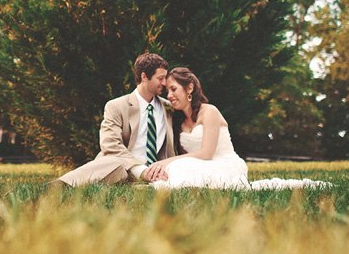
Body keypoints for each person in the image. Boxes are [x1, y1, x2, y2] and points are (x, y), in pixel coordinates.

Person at [146, 67, 331, 190]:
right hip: (202, 165)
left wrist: (167, 162)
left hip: (226, 164)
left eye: (173, 89)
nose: (169, 95)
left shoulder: (209, 112)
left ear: (190, 88)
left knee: (178, 167)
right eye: (167, 91)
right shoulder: (179, 122)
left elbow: (207, 153)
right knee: (179, 168)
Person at [51, 52, 176, 187]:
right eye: (160, 78)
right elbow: (110, 144)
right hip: (125, 167)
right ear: (144, 76)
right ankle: (60, 186)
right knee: (111, 162)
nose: (164, 83)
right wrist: (140, 170)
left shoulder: (168, 107)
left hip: (158, 171)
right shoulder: (116, 106)